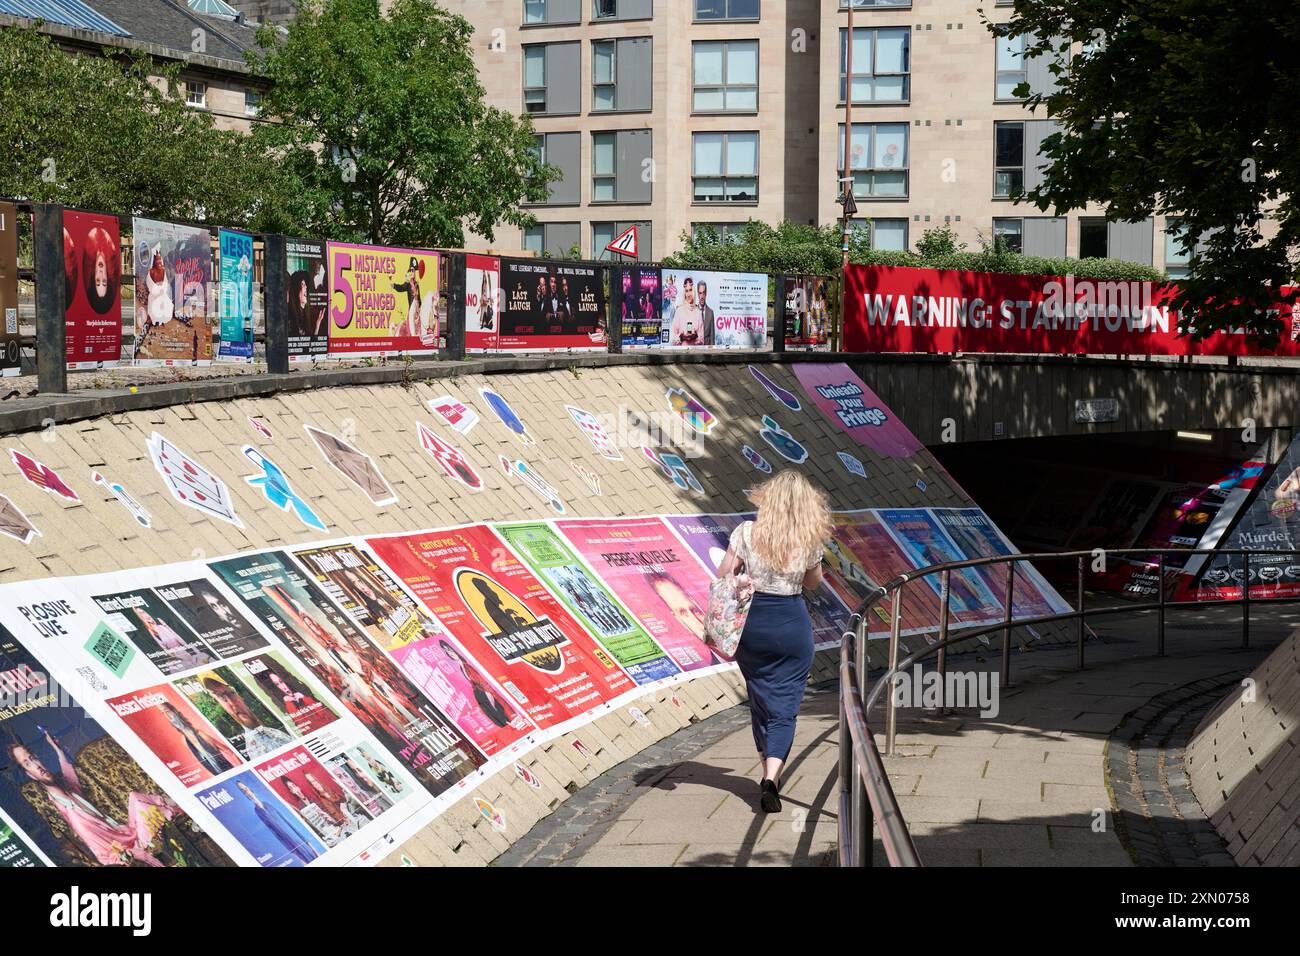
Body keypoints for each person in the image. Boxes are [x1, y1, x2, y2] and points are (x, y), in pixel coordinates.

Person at [716, 470, 830, 813]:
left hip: (751, 624)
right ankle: (771, 777)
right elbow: (812, 584)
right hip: (790, 623)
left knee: (761, 695)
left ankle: (767, 765)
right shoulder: (810, 539)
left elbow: (725, 574)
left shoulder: (746, 532)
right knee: (785, 705)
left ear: (769, 499)